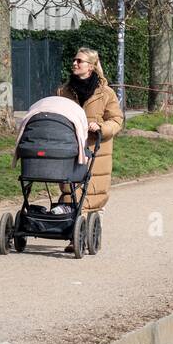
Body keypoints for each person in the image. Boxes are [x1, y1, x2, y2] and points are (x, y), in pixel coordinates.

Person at [56, 47, 123, 250]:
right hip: (72, 149)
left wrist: (101, 127)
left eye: (80, 61)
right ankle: (74, 236)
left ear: (91, 66)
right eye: (74, 60)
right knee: (70, 190)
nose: (74, 63)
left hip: (97, 150)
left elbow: (117, 120)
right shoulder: (63, 91)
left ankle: (92, 234)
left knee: (94, 193)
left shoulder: (106, 93)